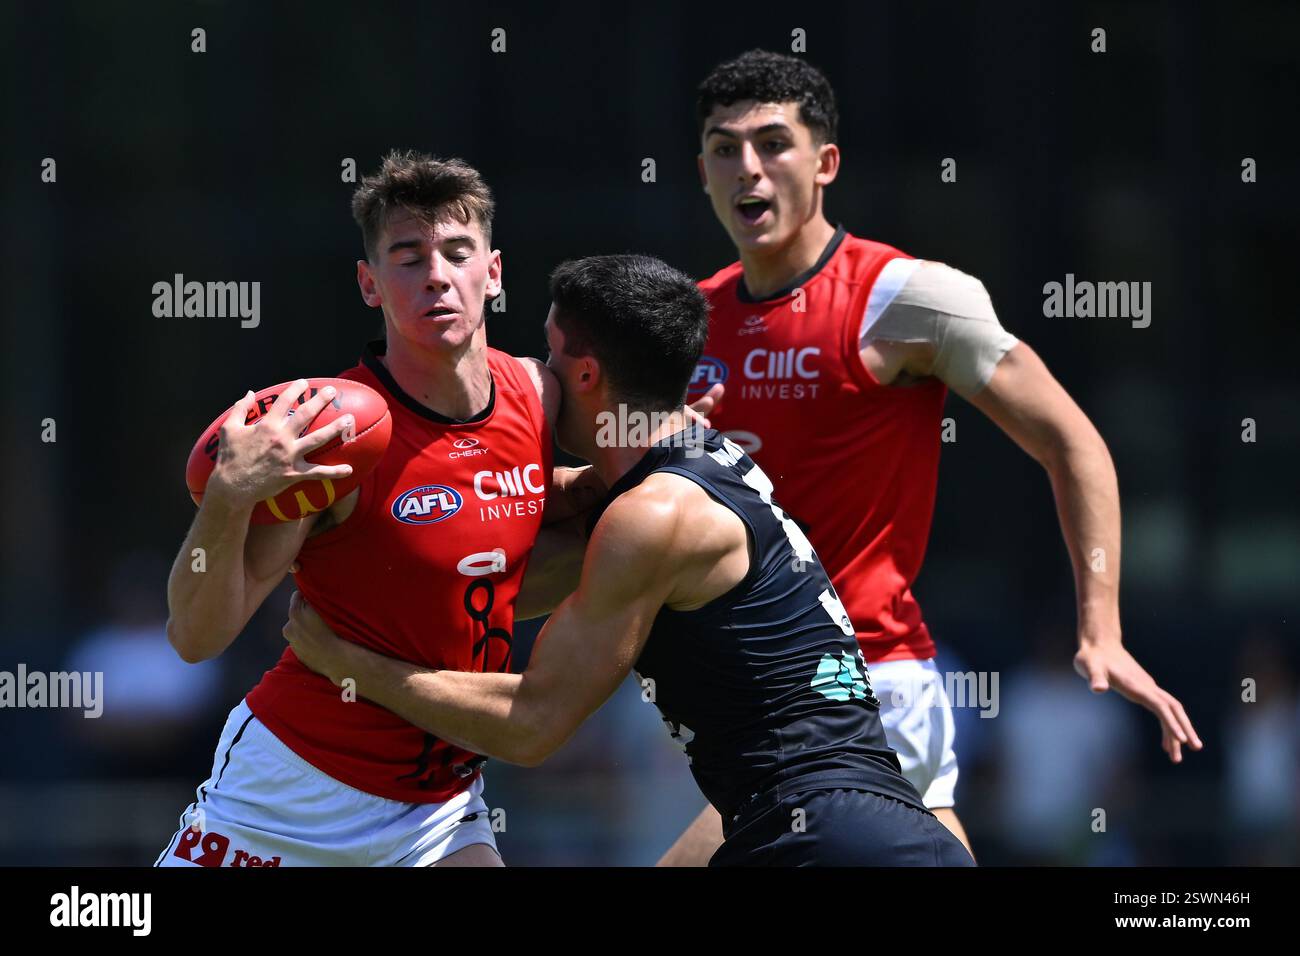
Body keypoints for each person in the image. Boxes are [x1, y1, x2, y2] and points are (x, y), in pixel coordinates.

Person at [659, 49, 1202, 862]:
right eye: (724, 148)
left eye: (773, 144)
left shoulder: (904, 297)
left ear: (825, 162)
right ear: (701, 168)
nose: (750, 169)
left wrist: (1102, 627)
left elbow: (1072, 441)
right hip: (747, 698)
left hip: (861, 686)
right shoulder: (687, 323)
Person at [282, 254, 976, 867]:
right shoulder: (701, 462)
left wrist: (349, 664)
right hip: (878, 828)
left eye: (549, 359)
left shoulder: (651, 518)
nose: (535, 378)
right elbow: (519, 536)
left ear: (586, 373)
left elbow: (531, 724)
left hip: (819, 839)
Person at [157, 150, 603, 867]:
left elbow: (498, 575)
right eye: (407, 256)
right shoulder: (332, 435)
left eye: (458, 252)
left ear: (492, 272)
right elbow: (195, 636)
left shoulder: (538, 396)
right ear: (370, 283)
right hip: (290, 797)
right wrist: (227, 500)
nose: (436, 274)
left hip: (439, 809)